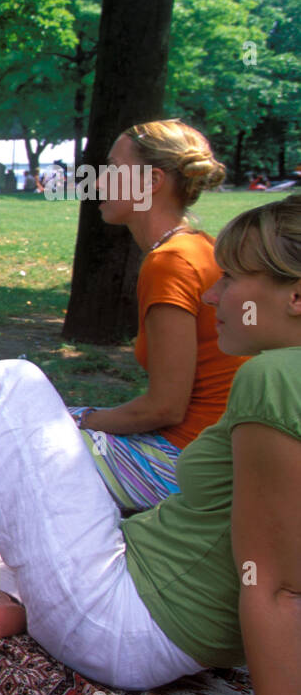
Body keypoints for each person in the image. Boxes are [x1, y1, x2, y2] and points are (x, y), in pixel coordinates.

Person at [0, 193, 301, 695]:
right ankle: (15, 602)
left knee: (5, 384)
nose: (211, 294)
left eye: (230, 279)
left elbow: (277, 587)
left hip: (125, 623)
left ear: (296, 295)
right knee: (51, 466)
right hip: (155, 605)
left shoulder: (275, 378)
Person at [71, 120, 246, 510]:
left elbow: (164, 408)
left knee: (20, 442)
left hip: (183, 464)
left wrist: (83, 420)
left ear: (151, 182)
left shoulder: (170, 262)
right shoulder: (201, 247)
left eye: (113, 169)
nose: (98, 183)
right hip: (217, 455)